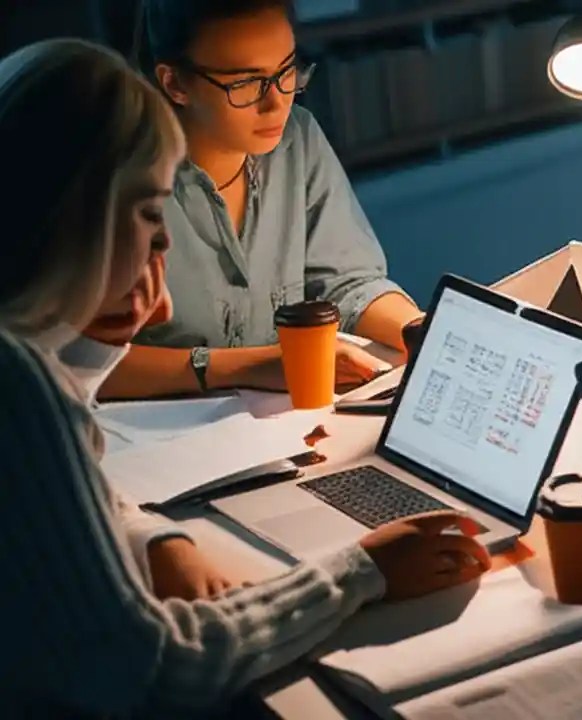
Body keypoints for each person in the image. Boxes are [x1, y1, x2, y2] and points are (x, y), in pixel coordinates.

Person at [0, 39, 490, 715]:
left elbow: (59, 484)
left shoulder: (20, 368)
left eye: (287, 73)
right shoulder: (17, 384)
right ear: (77, 218)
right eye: (151, 216)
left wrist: (156, 539)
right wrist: (360, 572)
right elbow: (156, 669)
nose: (161, 268)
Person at [94, 0, 424, 400]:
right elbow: (71, 360)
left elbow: (349, 283)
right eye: (246, 84)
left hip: (275, 424)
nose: (277, 103)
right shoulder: (112, 178)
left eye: (286, 71)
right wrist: (253, 366)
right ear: (175, 83)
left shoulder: (296, 140)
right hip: (150, 432)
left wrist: (419, 332)